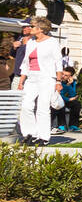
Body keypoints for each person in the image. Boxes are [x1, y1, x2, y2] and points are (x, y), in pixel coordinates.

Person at [18, 17, 60, 145]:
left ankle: (44, 137)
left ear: (40, 29)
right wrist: (21, 81)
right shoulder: (31, 42)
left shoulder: (52, 42)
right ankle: (30, 134)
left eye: (32, 26)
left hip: (47, 78)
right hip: (32, 78)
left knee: (43, 108)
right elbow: (26, 62)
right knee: (26, 106)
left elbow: (58, 62)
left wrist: (58, 81)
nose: (29, 28)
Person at [10, 24, 32, 90]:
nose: (24, 28)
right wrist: (14, 47)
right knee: (13, 96)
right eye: (23, 27)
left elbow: (30, 55)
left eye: (26, 27)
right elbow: (13, 55)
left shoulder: (35, 40)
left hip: (29, 75)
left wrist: (25, 45)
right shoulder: (20, 37)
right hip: (18, 73)